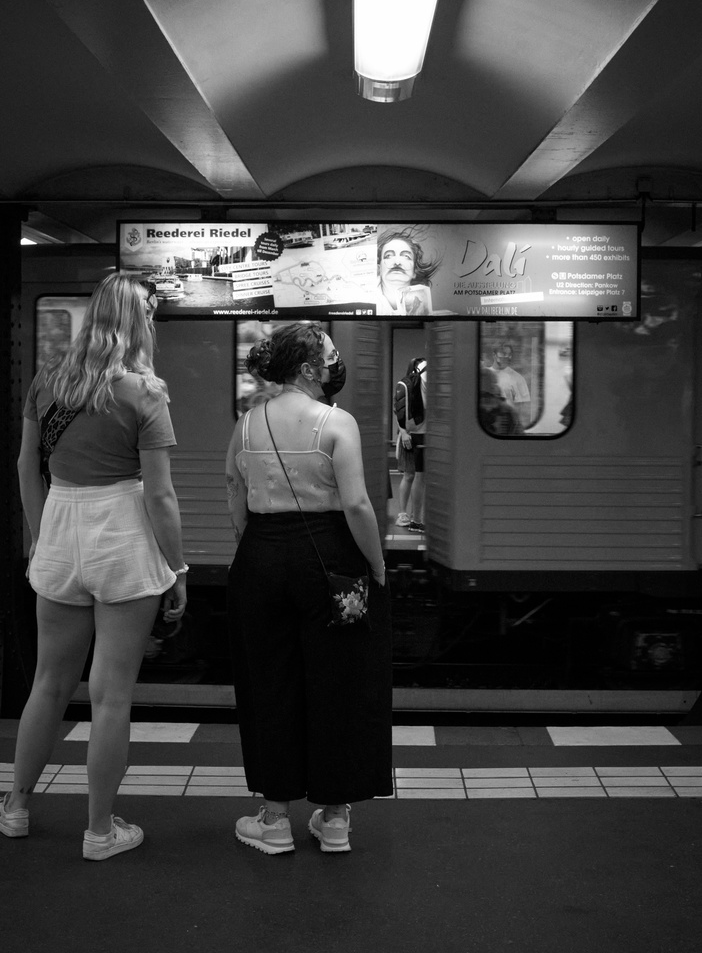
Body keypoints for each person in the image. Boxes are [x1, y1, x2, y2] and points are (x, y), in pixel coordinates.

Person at [0, 275, 187, 860]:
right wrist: (178, 568)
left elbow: (28, 465)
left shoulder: (49, 382)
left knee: (49, 682)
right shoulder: (144, 391)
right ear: (138, 319)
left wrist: (39, 537)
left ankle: (15, 809)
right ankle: (101, 832)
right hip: (121, 533)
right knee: (110, 696)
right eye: (151, 312)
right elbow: (160, 496)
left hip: (59, 526)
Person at [225, 322, 392, 855]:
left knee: (269, 682)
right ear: (307, 369)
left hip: (260, 556)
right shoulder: (337, 423)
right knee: (338, 680)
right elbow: (358, 505)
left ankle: (275, 820)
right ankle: (336, 818)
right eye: (329, 353)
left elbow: (234, 486)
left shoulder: (248, 423)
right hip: (331, 560)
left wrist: (253, 543)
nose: (336, 360)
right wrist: (378, 565)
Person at [376, 227, 442, 315]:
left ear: (414, 271)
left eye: (406, 256)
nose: (397, 262)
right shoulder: (362, 297)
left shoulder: (420, 304)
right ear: (379, 268)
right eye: (388, 256)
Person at [395, 357, 428, 534]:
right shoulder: (426, 379)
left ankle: (404, 515)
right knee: (417, 477)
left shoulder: (408, 383)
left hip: (409, 434)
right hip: (421, 435)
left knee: (409, 476)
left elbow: (398, 410)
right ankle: (416, 519)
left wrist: (403, 432)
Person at [488, 341, 532, 428]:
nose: (507, 357)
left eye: (509, 354)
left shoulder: (518, 379)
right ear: (494, 355)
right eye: (503, 353)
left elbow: (521, 409)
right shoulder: (485, 375)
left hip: (508, 423)